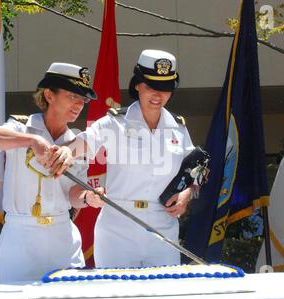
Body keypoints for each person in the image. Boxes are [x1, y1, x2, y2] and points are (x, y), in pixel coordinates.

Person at [51, 49, 197, 268]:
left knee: (164, 294)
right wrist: (65, 152)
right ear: (137, 84)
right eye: (150, 86)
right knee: (116, 295)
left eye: (165, 88)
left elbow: (194, 172)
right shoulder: (116, 122)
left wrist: (188, 194)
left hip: (163, 227)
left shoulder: (178, 128)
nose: (158, 95)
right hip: (118, 226)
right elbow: (86, 142)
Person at [0, 62, 104, 282]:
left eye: (82, 100)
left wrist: (89, 197)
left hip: (62, 237)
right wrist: (32, 140)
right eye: (72, 96)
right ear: (49, 94)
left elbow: (73, 194)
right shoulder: (21, 127)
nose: (79, 104)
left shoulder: (76, 143)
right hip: (20, 237)